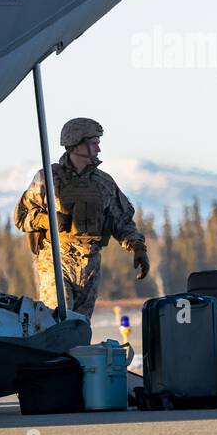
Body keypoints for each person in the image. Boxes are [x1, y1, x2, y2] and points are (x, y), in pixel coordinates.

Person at [13, 117, 149, 318]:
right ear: (77, 144)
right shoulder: (47, 179)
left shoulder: (104, 183)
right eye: (94, 143)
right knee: (58, 319)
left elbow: (122, 221)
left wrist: (138, 247)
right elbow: (21, 216)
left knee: (81, 326)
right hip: (56, 260)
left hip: (90, 265)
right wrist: (46, 221)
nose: (98, 149)